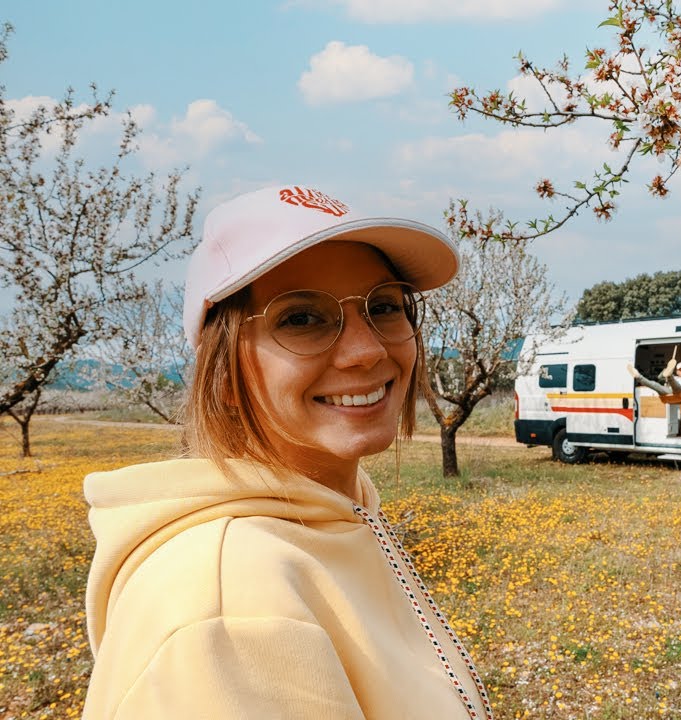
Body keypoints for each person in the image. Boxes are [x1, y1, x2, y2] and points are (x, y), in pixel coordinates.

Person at [81, 185, 492, 719]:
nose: (367, 350)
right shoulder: (230, 606)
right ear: (223, 374)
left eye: (385, 306)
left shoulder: (339, 511)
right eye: (300, 318)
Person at [627, 353, 681, 435]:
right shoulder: (675, 377)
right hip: (670, 393)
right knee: (655, 385)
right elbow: (660, 377)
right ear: (677, 371)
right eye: (680, 370)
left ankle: (669, 376)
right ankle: (638, 376)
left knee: (675, 385)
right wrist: (666, 368)